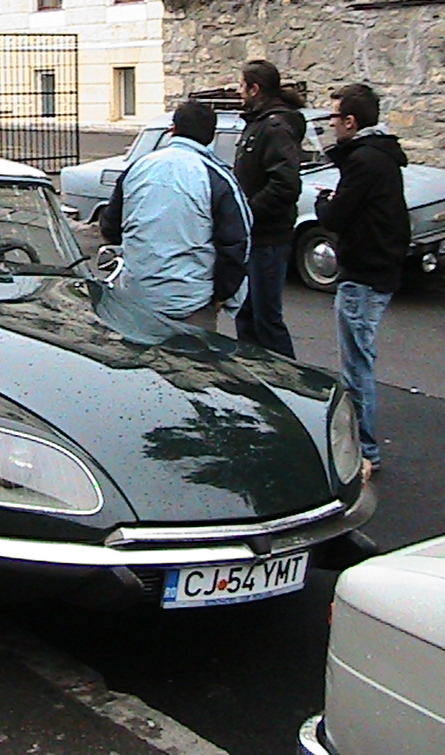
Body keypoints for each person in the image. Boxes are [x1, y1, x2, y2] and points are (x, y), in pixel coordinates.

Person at [315, 83, 410, 473]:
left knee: (356, 366)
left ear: (351, 122)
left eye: (334, 118)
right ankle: (365, 447)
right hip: (381, 270)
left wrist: (324, 202)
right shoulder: (382, 157)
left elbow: (336, 217)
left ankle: (365, 450)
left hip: (364, 274)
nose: (332, 125)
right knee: (360, 359)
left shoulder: (363, 162)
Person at [97, 99, 251, 337]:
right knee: (191, 369)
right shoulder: (217, 177)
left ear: (173, 129)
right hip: (191, 305)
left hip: (137, 300)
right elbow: (237, 244)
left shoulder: (138, 168)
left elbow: (110, 227)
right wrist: (222, 294)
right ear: (210, 137)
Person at [232, 59, 305, 358]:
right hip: (253, 240)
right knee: (246, 316)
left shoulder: (275, 126)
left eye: (241, 86)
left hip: (268, 240)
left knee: (266, 320)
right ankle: (250, 383)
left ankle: (291, 389)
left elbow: (285, 185)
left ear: (255, 88)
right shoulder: (258, 123)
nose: (238, 92)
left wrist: (246, 211)